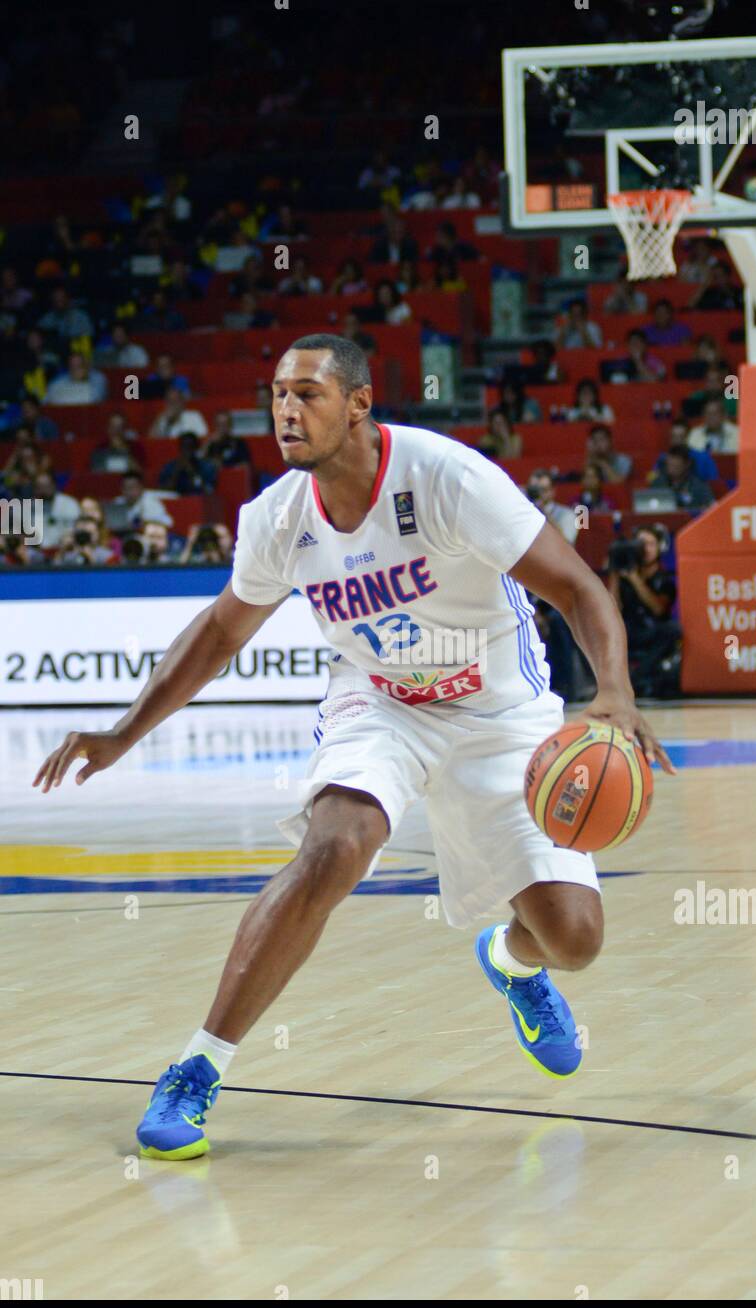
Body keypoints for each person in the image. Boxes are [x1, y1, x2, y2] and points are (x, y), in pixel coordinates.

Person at [33, 332, 673, 1160]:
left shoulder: (450, 480)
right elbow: (222, 631)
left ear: (360, 404)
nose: (287, 411)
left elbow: (578, 588)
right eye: (276, 396)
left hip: (498, 715)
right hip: (381, 703)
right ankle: (197, 1068)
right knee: (335, 846)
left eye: (307, 394)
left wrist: (614, 691)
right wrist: (124, 732)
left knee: (575, 940)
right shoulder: (277, 519)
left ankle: (513, 964)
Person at [606, 526, 680, 699]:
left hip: (654, 631)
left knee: (673, 630)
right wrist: (615, 576)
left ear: (659, 548)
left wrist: (635, 580)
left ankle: (635, 680)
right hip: (628, 630)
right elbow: (613, 609)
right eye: (641, 544)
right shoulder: (623, 575)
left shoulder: (665, 580)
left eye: (651, 544)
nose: (645, 549)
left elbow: (659, 609)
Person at [649, 444, 714, 510]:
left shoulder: (698, 485)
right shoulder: (658, 483)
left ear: (687, 464)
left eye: (675, 467)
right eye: (669, 465)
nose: (672, 469)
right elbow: (648, 505)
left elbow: (710, 506)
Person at [525, 468, 577, 543]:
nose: (538, 494)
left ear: (552, 491)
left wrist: (543, 511)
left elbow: (568, 544)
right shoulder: (525, 513)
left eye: (543, 490)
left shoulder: (568, 514)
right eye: (534, 490)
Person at [31, 471, 81, 549]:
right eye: (40, 487)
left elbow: (75, 530)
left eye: (46, 486)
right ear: (35, 489)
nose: (43, 490)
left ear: (54, 485)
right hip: (37, 551)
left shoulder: (69, 504)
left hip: (64, 549)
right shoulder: (30, 508)